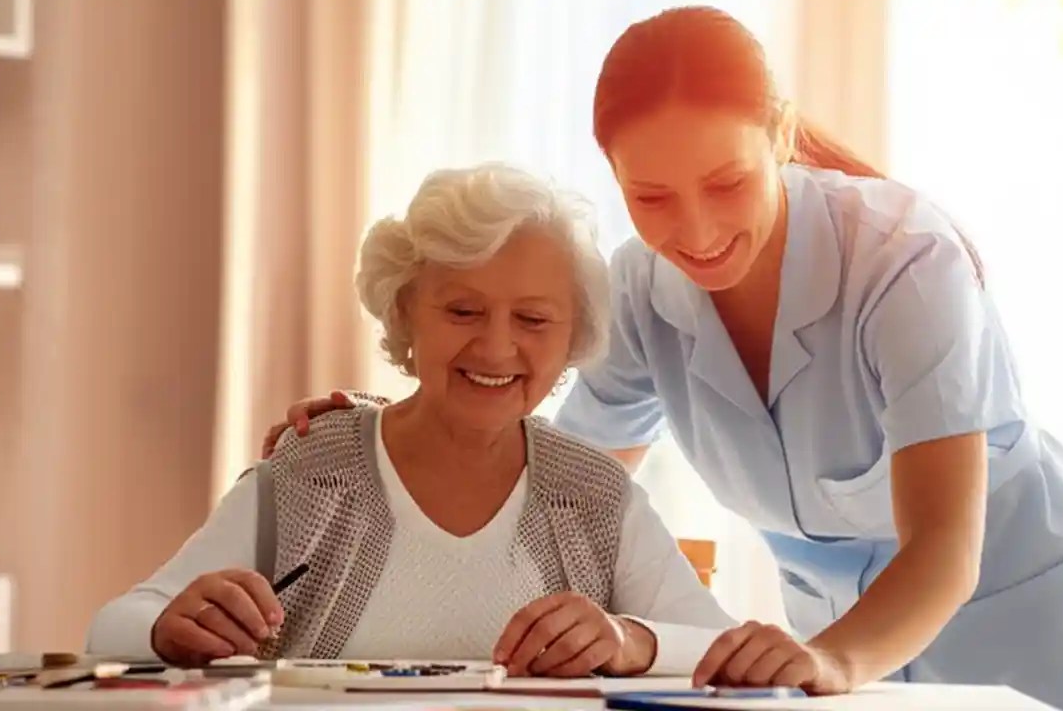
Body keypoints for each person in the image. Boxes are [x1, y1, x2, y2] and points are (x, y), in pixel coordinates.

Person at [265, 5, 1063, 710]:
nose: (693, 232)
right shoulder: (644, 293)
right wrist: (387, 433)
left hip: (1011, 617)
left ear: (779, 133)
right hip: (830, 643)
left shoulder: (904, 261)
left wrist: (829, 659)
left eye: (725, 184)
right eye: (649, 196)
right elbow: (546, 474)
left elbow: (945, 544)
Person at [86, 163, 737, 676]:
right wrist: (165, 627)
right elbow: (112, 626)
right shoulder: (313, 468)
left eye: (533, 320)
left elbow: (718, 646)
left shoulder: (594, 494)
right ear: (404, 315)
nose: (497, 347)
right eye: (462, 311)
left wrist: (629, 639)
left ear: (573, 339)